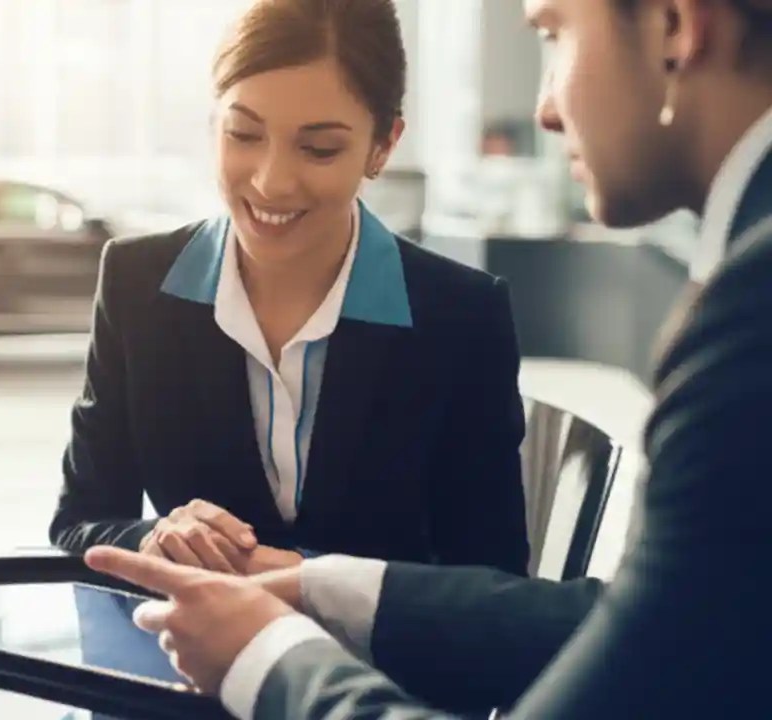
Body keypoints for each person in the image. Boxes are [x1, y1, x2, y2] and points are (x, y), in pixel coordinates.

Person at [86, 0, 772, 717]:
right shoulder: (744, 291)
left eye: (554, 34)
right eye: (243, 133)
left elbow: (641, 638)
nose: (543, 109)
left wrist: (268, 653)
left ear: (675, 24)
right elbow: (669, 625)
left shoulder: (747, 314)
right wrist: (317, 585)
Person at [51, 0, 529, 584]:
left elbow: (491, 580)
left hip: (376, 649)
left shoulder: (461, 316)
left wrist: (310, 582)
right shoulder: (137, 284)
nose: (271, 181)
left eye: (319, 148)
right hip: (184, 642)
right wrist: (154, 538)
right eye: (244, 134)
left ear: (382, 146)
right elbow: (81, 519)